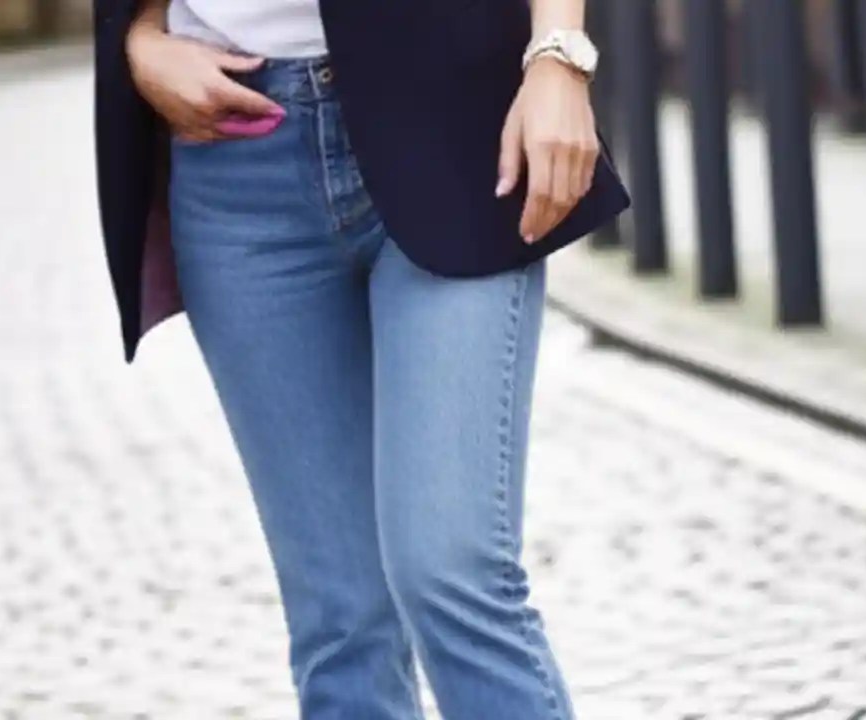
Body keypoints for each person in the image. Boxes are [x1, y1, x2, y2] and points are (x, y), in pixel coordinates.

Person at [91, 0, 628, 717]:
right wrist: (137, 37)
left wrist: (559, 52)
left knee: (453, 574)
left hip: (453, 123)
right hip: (235, 161)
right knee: (340, 621)